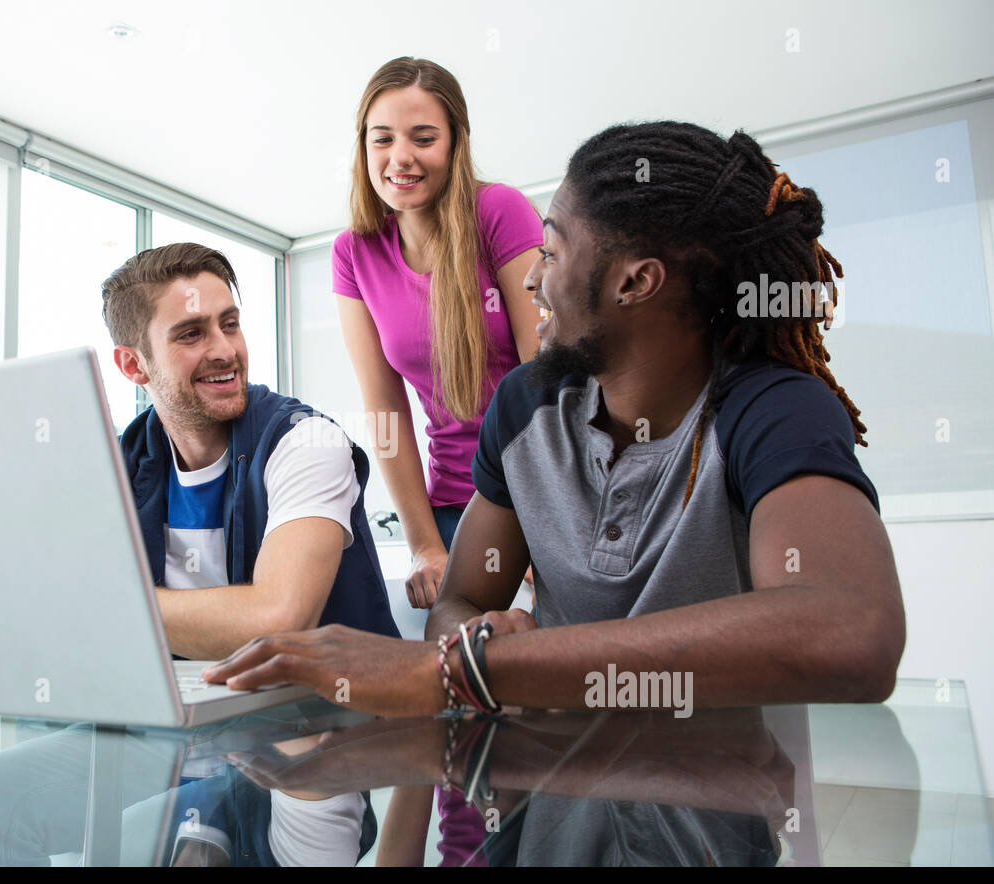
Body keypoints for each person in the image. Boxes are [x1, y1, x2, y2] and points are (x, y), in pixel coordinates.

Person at [201, 121, 905, 725]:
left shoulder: (772, 409)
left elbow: (850, 635)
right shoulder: (525, 404)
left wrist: (474, 671)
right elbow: (465, 601)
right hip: (554, 796)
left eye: (555, 248)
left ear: (636, 281)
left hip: (724, 805)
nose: (532, 279)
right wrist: (479, 636)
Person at [0, 242, 399, 866]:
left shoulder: (305, 443)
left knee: (172, 831)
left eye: (229, 323)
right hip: (173, 722)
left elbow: (276, 618)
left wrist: (102, 606)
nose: (224, 349)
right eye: (191, 333)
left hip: (303, 723)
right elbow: (55, 612)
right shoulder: (120, 465)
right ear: (133, 364)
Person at [333, 55, 543, 865]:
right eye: (383, 138)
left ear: (456, 142)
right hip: (453, 505)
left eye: (424, 136)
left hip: (535, 491)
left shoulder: (499, 214)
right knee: (452, 704)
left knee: (530, 701)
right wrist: (425, 542)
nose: (401, 157)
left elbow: (542, 385)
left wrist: (536, 544)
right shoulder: (356, 252)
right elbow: (385, 414)